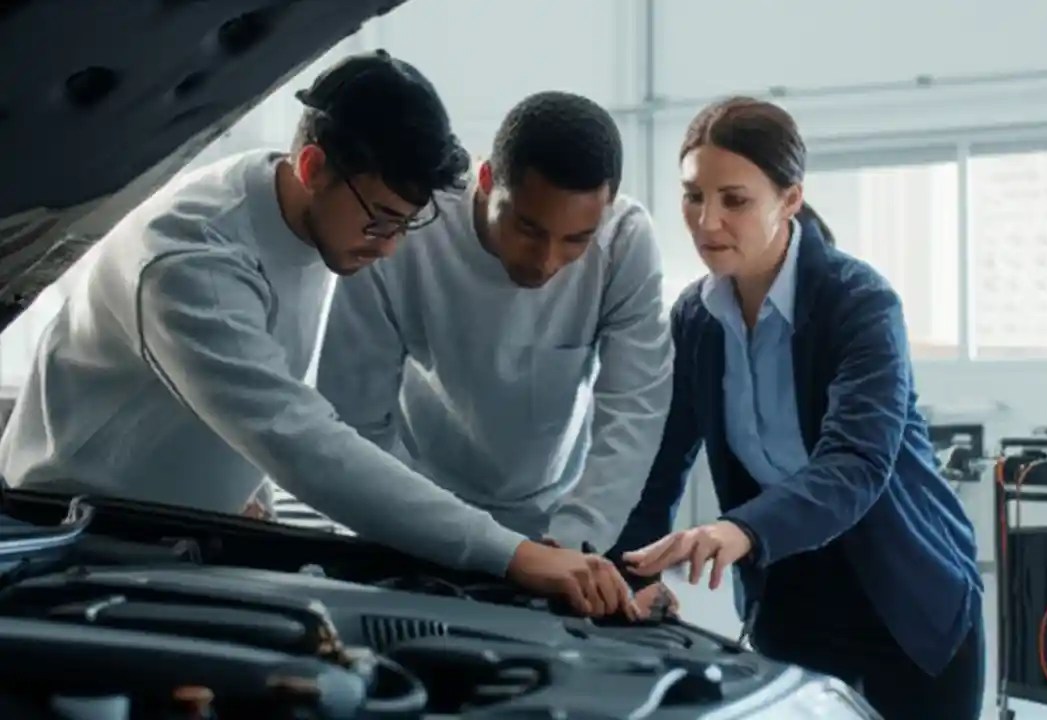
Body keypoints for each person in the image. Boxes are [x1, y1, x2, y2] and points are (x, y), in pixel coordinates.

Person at [0, 51, 636, 619]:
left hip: (183, 536)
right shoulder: (191, 262)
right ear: (312, 165)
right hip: (71, 542)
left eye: (405, 226)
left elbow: (254, 404)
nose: (388, 249)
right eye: (380, 221)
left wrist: (245, 490)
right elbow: (297, 435)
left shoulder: (310, 218)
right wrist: (513, 554)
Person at [609, 97, 986, 718]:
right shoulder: (696, 318)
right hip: (790, 596)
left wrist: (741, 529)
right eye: (692, 196)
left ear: (789, 200)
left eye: (735, 200)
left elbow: (856, 463)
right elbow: (661, 458)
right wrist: (632, 568)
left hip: (903, 595)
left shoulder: (859, 303)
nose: (707, 222)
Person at [315, 91, 672, 587]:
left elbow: (634, 409)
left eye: (576, 240)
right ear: (485, 180)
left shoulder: (626, 241)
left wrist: (573, 541)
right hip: (416, 509)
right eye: (528, 227)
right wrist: (425, 532)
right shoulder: (409, 227)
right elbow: (354, 416)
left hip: (556, 522)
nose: (547, 261)